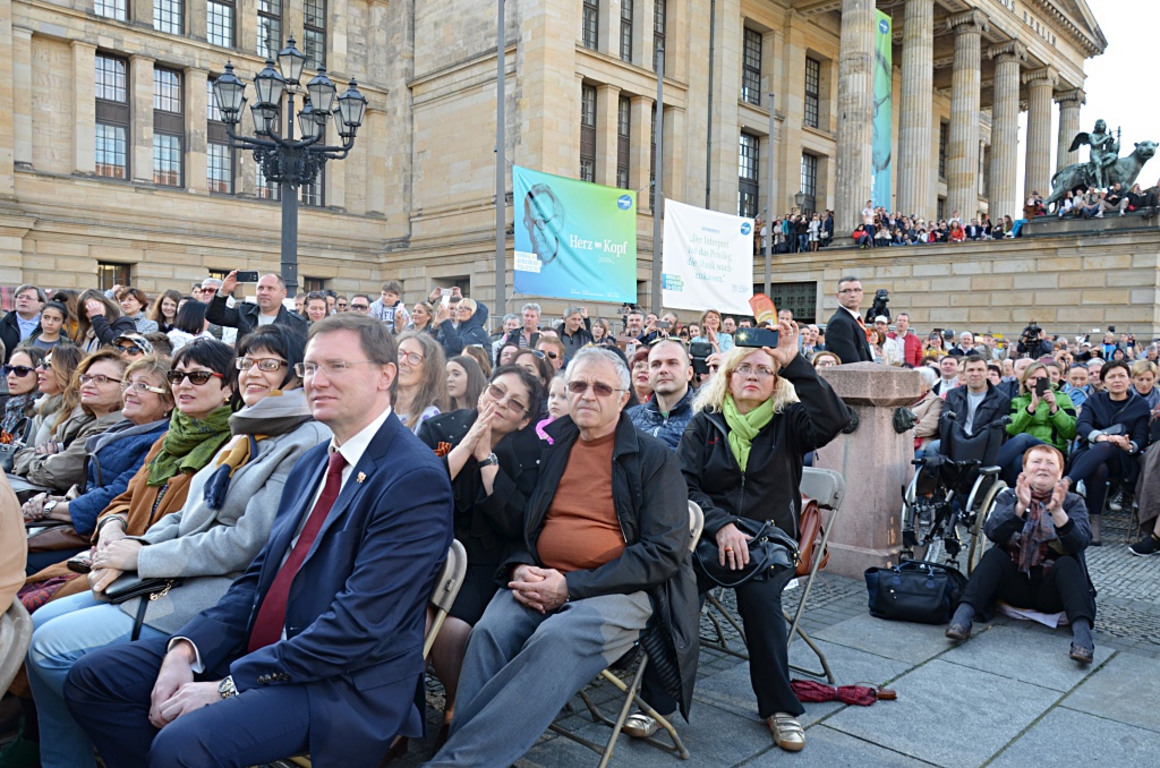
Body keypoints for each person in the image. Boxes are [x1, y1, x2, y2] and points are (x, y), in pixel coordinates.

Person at [63, 314, 454, 767]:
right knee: (93, 679)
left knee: (182, 745)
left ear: (386, 375)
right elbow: (260, 578)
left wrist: (230, 686)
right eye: (310, 367)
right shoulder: (315, 462)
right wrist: (187, 649)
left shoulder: (413, 478)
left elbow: (359, 626)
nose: (317, 381)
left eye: (337, 366)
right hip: (267, 650)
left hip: (339, 682)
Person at [23, 326, 329, 768]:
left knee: (52, 650)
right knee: (38, 624)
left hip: (217, 594)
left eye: (268, 364)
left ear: (295, 374)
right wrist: (130, 543)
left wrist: (142, 556)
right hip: (170, 573)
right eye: (246, 362)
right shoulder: (248, 430)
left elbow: (248, 544)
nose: (252, 373)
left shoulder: (303, 438)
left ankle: (147, 739)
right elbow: (183, 515)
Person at [426, 347, 697, 768]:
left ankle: (456, 763)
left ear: (623, 398)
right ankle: (468, 755)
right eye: (578, 385)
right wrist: (520, 564)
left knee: (553, 641)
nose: (587, 395)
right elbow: (528, 524)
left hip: (617, 589)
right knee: (490, 633)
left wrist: (570, 586)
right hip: (541, 575)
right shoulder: (553, 446)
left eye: (601, 388)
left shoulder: (653, 458)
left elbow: (663, 553)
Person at [678, 319, 851, 752]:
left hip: (771, 542)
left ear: (776, 381)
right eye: (745, 368)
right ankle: (657, 699)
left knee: (759, 599)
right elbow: (684, 485)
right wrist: (721, 525)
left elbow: (836, 419)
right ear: (728, 375)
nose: (753, 376)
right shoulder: (705, 423)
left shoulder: (790, 421)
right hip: (711, 538)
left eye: (764, 370)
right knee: (677, 589)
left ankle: (779, 707)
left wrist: (795, 363)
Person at [416, 365, 544, 749]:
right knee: (413, 624)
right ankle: (399, 713)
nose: (500, 403)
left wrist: (487, 459)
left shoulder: (534, 455)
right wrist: (469, 442)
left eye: (515, 403)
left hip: (485, 559)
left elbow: (518, 524)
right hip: (428, 547)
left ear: (525, 420)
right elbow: (419, 492)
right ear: (484, 390)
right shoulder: (441, 428)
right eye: (497, 391)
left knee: (453, 632)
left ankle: (457, 704)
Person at [20, 354, 172, 576]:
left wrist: (49, 508)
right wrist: (56, 500)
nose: (130, 392)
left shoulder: (159, 440)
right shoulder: (122, 428)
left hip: (97, 535)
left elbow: (118, 493)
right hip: (80, 521)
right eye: (129, 384)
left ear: (169, 402)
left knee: (16, 561)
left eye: (142, 386)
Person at [947, 445, 1096, 664]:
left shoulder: (1073, 501)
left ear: (1060, 473)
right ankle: (961, 620)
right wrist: (1019, 507)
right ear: (1024, 470)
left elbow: (1080, 543)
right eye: (1036, 462)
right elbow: (992, 532)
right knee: (994, 557)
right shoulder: (1009, 496)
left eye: (1050, 463)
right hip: (1013, 585)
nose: (1043, 467)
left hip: (1052, 590)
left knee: (1068, 564)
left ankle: (1083, 640)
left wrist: (1058, 512)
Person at [10, 350, 125, 499]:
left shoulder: (112, 430)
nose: (88, 384)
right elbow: (35, 453)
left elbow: (52, 473)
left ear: (125, 386)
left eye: (101, 379)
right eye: (85, 378)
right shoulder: (80, 419)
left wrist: (36, 460)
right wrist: (42, 459)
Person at [1064, 360, 1149, 545]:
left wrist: (1128, 445)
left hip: (1123, 459)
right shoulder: (1094, 400)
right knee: (1099, 466)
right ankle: (1095, 523)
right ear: (1103, 382)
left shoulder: (1140, 404)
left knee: (1108, 447)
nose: (1117, 380)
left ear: (1129, 380)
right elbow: (1082, 425)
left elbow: (1142, 437)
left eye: (1121, 376)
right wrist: (1101, 437)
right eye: (1111, 377)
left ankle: (1066, 482)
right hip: (1092, 453)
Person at [998, 363, 1077, 486]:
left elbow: (1071, 432)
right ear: (1025, 381)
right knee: (1017, 462)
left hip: (1052, 448)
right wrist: (1031, 407)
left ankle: (988, 468)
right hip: (1025, 451)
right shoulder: (1017, 401)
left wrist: (1054, 408)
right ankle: (1016, 494)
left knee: (1024, 437)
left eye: (1041, 379)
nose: (1036, 382)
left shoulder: (1062, 398)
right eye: (1032, 378)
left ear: (1048, 381)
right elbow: (1011, 429)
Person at [628, 340, 695, 451]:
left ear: (689, 373)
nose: (663, 370)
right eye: (656, 365)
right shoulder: (629, 419)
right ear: (649, 375)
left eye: (672, 363)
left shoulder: (705, 420)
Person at [207, 272, 307, 341]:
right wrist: (223, 292)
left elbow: (297, 353)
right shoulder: (244, 313)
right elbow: (214, 316)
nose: (264, 292)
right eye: (260, 288)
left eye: (270, 289)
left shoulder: (296, 322)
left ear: (283, 293)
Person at [394, 331, 450, 433]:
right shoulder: (378, 410)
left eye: (414, 357)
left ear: (429, 372)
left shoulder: (430, 419)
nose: (402, 361)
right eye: (400, 353)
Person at [2, 349, 45, 446]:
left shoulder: (44, 410)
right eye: (8, 369)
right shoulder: (12, 407)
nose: (11, 375)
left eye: (21, 370)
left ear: (40, 373)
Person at [825, 276, 872, 364]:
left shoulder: (854, 319)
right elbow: (851, 363)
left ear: (862, 294)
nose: (852, 295)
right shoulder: (839, 322)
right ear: (838, 296)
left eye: (857, 290)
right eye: (846, 291)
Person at [1, 285, 45, 363]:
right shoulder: (3, 324)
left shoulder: (49, 326)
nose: (23, 300)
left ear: (41, 304)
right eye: (20, 297)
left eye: (29, 298)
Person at [912, 367, 943, 457]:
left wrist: (906, 432)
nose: (913, 383)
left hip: (921, 444)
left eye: (917, 380)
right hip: (902, 442)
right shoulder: (906, 399)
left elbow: (930, 425)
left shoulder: (936, 401)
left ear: (928, 384)